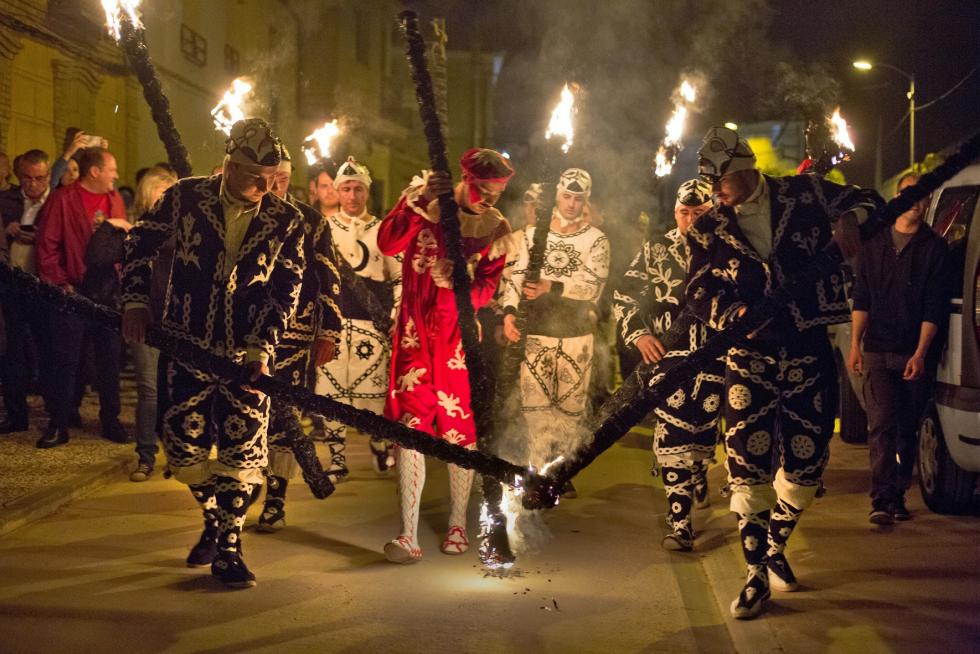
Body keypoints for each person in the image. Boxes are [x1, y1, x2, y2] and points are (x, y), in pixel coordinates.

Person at [687, 126, 882, 619]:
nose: (716, 193)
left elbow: (870, 200)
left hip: (808, 346)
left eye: (722, 181)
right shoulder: (708, 227)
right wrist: (733, 319)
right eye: (711, 185)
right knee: (745, 467)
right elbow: (697, 290)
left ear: (744, 168)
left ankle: (775, 544)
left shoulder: (807, 192)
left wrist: (851, 221)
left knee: (806, 464)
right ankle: (754, 575)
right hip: (747, 359)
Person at [121, 118, 304, 588]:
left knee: (242, 451)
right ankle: (213, 516)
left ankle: (229, 546)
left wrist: (263, 347)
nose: (264, 187)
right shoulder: (184, 196)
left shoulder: (287, 219)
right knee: (184, 451)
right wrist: (137, 301)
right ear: (228, 166)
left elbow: (287, 289)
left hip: (249, 356)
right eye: (252, 177)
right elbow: (139, 241)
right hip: (186, 345)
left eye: (271, 178)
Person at [378, 148, 514, 563]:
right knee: (411, 427)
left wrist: (460, 285)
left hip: (457, 338)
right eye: (482, 191)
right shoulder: (423, 198)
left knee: (460, 430)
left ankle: (457, 522)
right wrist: (415, 205)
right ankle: (408, 534)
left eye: (496, 194)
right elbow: (387, 242)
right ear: (465, 179)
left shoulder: (495, 228)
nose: (488, 200)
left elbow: (487, 289)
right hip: (414, 335)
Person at [612, 178, 721, 550]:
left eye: (699, 213)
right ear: (675, 212)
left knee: (704, 434)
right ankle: (681, 523)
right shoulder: (655, 249)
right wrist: (639, 335)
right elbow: (623, 295)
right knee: (673, 434)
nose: (690, 221)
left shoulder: (730, 248)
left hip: (716, 358)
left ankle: (700, 471)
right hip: (668, 359)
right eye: (683, 213)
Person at [501, 168, 610, 497]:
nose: (572, 204)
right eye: (567, 196)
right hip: (538, 334)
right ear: (558, 196)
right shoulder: (535, 235)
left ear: (586, 200)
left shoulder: (596, 240)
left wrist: (553, 285)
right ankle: (536, 470)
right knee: (535, 407)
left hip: (576, 336)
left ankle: (559, 471)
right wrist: (508, 313)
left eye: (579, 199)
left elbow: (594, 285)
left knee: (569, 409)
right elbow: (516, 276)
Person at [849, 173, 950, 524]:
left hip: (913, 350)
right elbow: (861, 299)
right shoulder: (874, 244)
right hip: (877, 347)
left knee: (908, 427)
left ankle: (899, 493)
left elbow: (933, 307)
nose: (917, 202)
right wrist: (855, 345)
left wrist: (921, 354)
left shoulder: (935, 248)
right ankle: (881, 498)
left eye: (923, 196)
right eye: (910, 194)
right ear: (897, 198)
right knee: (880, 425)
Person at [256, 149, 342, 532]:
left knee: (284, 413)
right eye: (270, 177)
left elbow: (328, 275)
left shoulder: (310, 221)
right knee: (249, 409)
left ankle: (276, 496)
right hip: (246, 328)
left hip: (296, 330)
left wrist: (329, 330)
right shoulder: (244, 214)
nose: (275, 185)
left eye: (283, 179)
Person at [35, 146, 129, 449]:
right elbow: (47, 247)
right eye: (111, 169)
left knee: (108, 360)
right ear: (95, 171)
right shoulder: (63, 199)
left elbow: (123, 245)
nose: (116, 175)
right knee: (66, 360)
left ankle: (110, 420)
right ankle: (59, 422)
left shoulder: (114, 199)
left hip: (106, 290)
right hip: (74, 289)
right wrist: (62, 284)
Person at [314, 156, 401, 480]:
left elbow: (399, 277)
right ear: (337, 191)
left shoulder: (383, 230)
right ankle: (337, 459)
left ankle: (379, 444)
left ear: (368, 191)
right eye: (346, 189)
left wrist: (394, 314)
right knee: (329, 392)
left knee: (373, 395)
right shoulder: (323, 229)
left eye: (358, 189)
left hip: (372, 327)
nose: (352, 196)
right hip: (332, 328)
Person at [127, 168, 179, 482]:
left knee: (174, 392)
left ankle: (177, 453)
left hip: (176, 321)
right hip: (145, 320)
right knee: (149, 390)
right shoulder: (140, 232)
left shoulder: (188, 231)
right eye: (162, 194)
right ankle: (146, 456)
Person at [0, 149, 50, 434]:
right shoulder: (8, 201)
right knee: (13, 354)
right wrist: (8, 231)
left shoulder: (55, 201)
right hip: (12, 287)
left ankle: (60, 413)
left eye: (39, 178)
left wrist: (40, 235)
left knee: (49, 352)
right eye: (27, 179)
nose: (33, 185)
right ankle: (16, 414)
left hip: (43, 288)